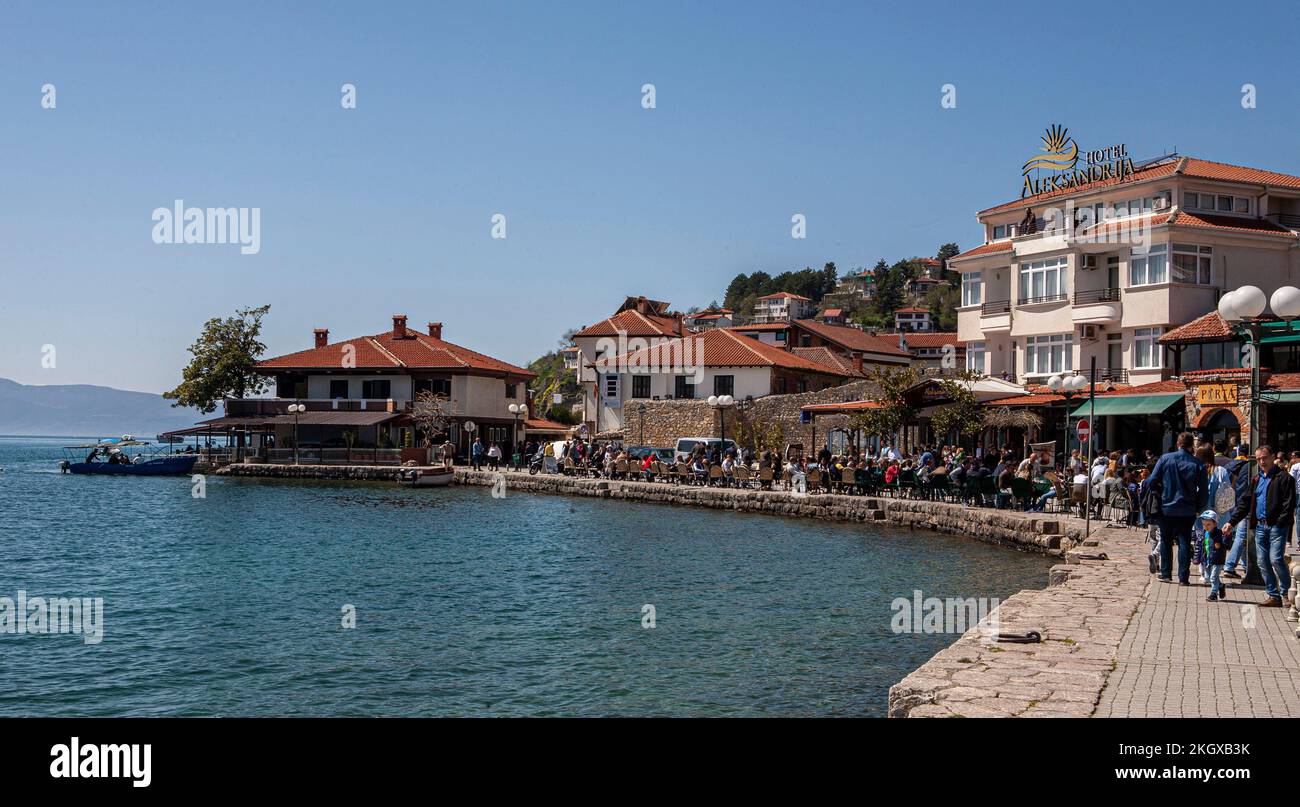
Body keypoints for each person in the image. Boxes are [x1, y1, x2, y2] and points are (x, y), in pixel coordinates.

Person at [1221, 445, 1295, 608]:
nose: (1262, 462)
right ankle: (1273, 595)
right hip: (1260, 527)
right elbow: (1245, 503)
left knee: (1275, 558)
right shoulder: (1257, 479)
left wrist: (1280, 522)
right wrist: (1231, 522)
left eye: (1265, 458)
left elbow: (1288, 504)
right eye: (1259, 459)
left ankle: (1286, 593)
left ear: (1273, 457)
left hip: (1276, 527)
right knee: (1262, 561)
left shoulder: (1285, 478)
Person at [1149, 432, 1208, 585]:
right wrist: (1199, 508)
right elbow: (1203, 491)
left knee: (1166, 540)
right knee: (1184, 542)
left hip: (1166, 507)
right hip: (1187, 509)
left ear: (1177, 444)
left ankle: (1166, 573)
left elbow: (1152, 480)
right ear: (1191, 446)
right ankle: (1183, 578)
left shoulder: (1165, 459)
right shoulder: (1198, 464)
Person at [1223, 444, 1253, 578]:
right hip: (1244, 504)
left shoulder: (1230, 465)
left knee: (1242, 536)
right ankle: (1229, 565)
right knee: (1242, 536)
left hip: (1233, 503)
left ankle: (1246, 565)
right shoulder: (1250, 467)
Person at [1198, 509, 1230, 602]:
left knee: (1213, 577)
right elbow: (1203, 546)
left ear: (1215, 524)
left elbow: (1225, 543)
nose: (1206, 527)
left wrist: (1226, 538)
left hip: (1217, 559)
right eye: (1204, 524)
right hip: (1208, 558)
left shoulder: (1218, 534)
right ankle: (1220, 585)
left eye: (1208, 524)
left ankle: (1214, 594)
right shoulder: (1205, 533)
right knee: (1207, 577)